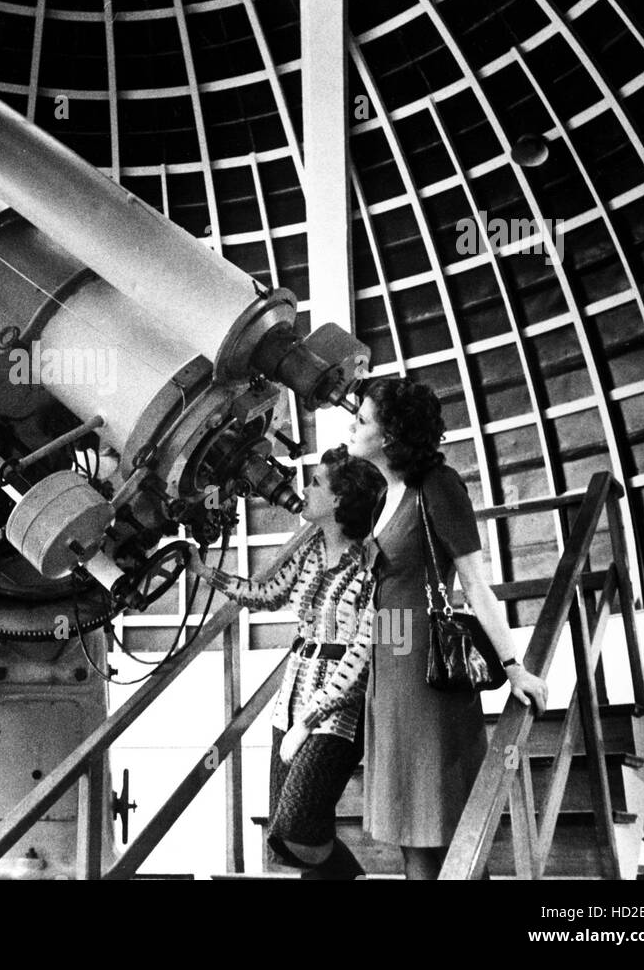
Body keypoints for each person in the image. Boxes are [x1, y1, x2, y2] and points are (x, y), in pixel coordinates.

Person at [347, 377, 549, 880]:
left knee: (447, 822)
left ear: (391, 435)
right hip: (391, 668)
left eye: (362, 419)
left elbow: (476, 584)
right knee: (408, 827)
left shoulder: (437, 485)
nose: (351, 426)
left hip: (429, 672)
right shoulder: (382, 493)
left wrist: (512, 666)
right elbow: (385, 593)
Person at [189, 445, 385, 879]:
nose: (305, 489)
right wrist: (208, 574)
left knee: (296, 827)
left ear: (338, 500)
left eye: (316, 483)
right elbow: (269, 594)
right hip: (291, 697)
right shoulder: (311, 547)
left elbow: (363, 656)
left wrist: (309, 720)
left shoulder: (375, 566)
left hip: (337, 716)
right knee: (289, 838)